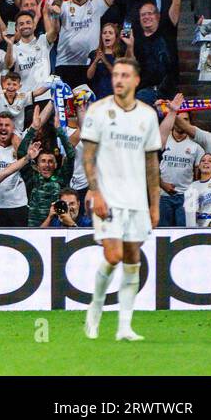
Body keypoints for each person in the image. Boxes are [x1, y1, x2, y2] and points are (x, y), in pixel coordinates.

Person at [79, 57, 162, 342]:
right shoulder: (99, 111)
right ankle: (96, 308)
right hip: (108, 196)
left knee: (132, 258)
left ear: (136, 80)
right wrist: (96, 191)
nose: (119, 80)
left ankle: (124, 326)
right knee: (112, 255)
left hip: (137, 198)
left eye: (125, 75)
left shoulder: (148, 116)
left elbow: (152, 162)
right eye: (116, 74)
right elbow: (87, 155)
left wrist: (154, 204)